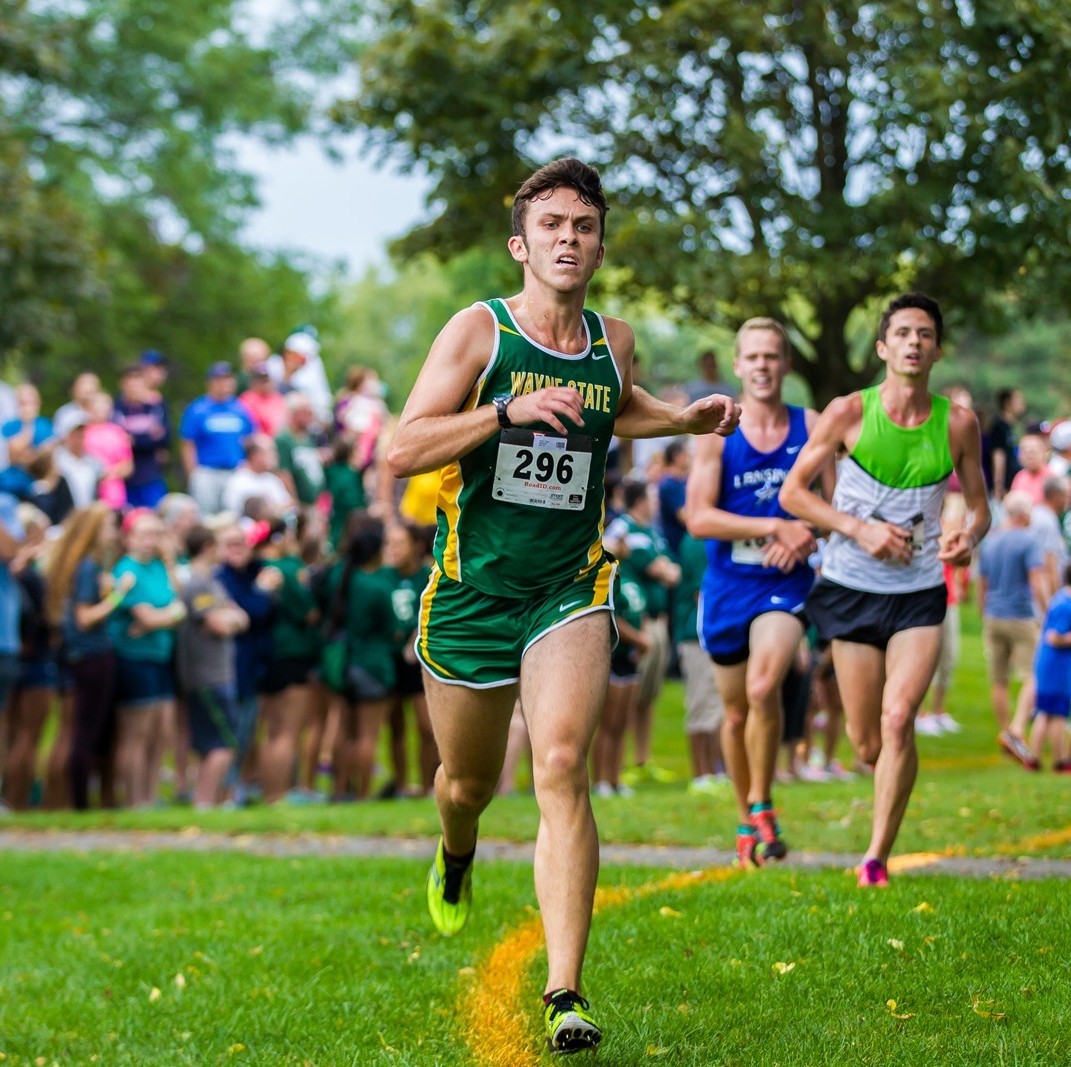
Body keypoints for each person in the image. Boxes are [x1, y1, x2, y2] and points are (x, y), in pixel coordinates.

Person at [385, 157, 739, 1053]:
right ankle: (455, 847)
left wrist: (682, 421)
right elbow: (402, 449)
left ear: (598, 242)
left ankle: (564, 992)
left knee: (559, 764)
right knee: (466, 784)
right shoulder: (479, 332)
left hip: (567, 587)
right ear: (522, 243)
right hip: (469, 595)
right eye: (551, 225)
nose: (567, 238)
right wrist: (504, 413)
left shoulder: (612, 340)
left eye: (582, 225)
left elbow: (613, 408)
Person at [779, 292, 990, 889]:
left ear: (938, 349)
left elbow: (980, 510)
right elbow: (794, 495)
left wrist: (967, 537)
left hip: (920, 591)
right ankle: (881, 778)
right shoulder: (847, 412)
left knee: (900, 720)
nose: (915, 342)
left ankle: (876, 856)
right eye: (903, 333)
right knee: (867, 740)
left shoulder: (958, 424)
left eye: (925, 333)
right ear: (883, 347)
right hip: (850, 587)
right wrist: (859, 530)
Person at [684, 316, 833, 865]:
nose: (763, 366)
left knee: (764, 684)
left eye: (773, 356)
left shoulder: (812, 424)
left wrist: (809, 536)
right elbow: (698, 518)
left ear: (786, 365)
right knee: (736, 713)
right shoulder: (718, 433)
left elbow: (836, 512)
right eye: (753, 357)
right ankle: (747, 816)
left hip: (785, 586)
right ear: (738, 366)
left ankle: (764, 800)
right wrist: (775, 526)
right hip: (727, 587)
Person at [45, 503, 131, 810]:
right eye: (109, 526)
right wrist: (120, 594)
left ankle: (60, 801)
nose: (114, 532)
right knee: (83, 732)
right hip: (91, 653)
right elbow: (85, 617)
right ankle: (77, 802)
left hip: (77, 654)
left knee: (71, 730)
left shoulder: (80, 565)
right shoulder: (88, 566)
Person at [177, 526, 249, 807]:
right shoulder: (198, 585)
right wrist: (228, 619)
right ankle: (204, 802)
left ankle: (210, 802)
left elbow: (241, 617)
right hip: (207, 676)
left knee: (217, 743)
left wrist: (231, 619)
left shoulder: (213, 582)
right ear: (208, 546)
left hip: (220, 673)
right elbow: (219, 623)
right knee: (225, 743)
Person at [977, 491, 1048, 763]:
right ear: (1022, 514)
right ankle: (1017, 729)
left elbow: (982, 583)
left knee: (999, 679)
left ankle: (1005, 730)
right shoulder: (1029, 541)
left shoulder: (990, 540)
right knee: (1033, 674)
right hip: (1020, 616)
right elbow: (1035, 580)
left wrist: (984, 612)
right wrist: (1046, 611)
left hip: (993, 616)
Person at [179, 363, 255, 516]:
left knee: (234, 514)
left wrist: (248, 465)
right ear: (210, 383)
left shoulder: (240, 408)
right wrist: (193, 474)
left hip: (235, 470)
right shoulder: (198, 409)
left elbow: (250, 439)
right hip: (207, 471)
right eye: (219, 380)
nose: (224, 384)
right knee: (206, 515)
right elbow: (188, 444)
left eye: (227, 379)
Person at [1029, 561, 1071, 772]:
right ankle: (1060, 760)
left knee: (1045, 712)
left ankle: (1033, 758)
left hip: (1049, 666)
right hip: (1056, 668)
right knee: (1057, 713)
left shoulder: (1060, 598)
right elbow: (1054, 637)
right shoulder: (1066, 605)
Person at [114, 363, 171, 509]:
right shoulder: (116, 409)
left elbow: (164, 438)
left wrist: (134, 441)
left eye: (138, 383)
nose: (134, 388)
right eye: (130, 384)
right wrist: (148, 437)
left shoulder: (156, 406)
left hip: (151, 474)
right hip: (126, 478)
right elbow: (116, 442)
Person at [988, 387, 1025, 504]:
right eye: (1018, 400)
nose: (1021, 404)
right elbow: (998, 455)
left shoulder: (1012, 426)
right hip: (1005, 486)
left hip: (1014, 483)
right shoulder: (999, 426)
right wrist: (998, 485)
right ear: (1007, 403)